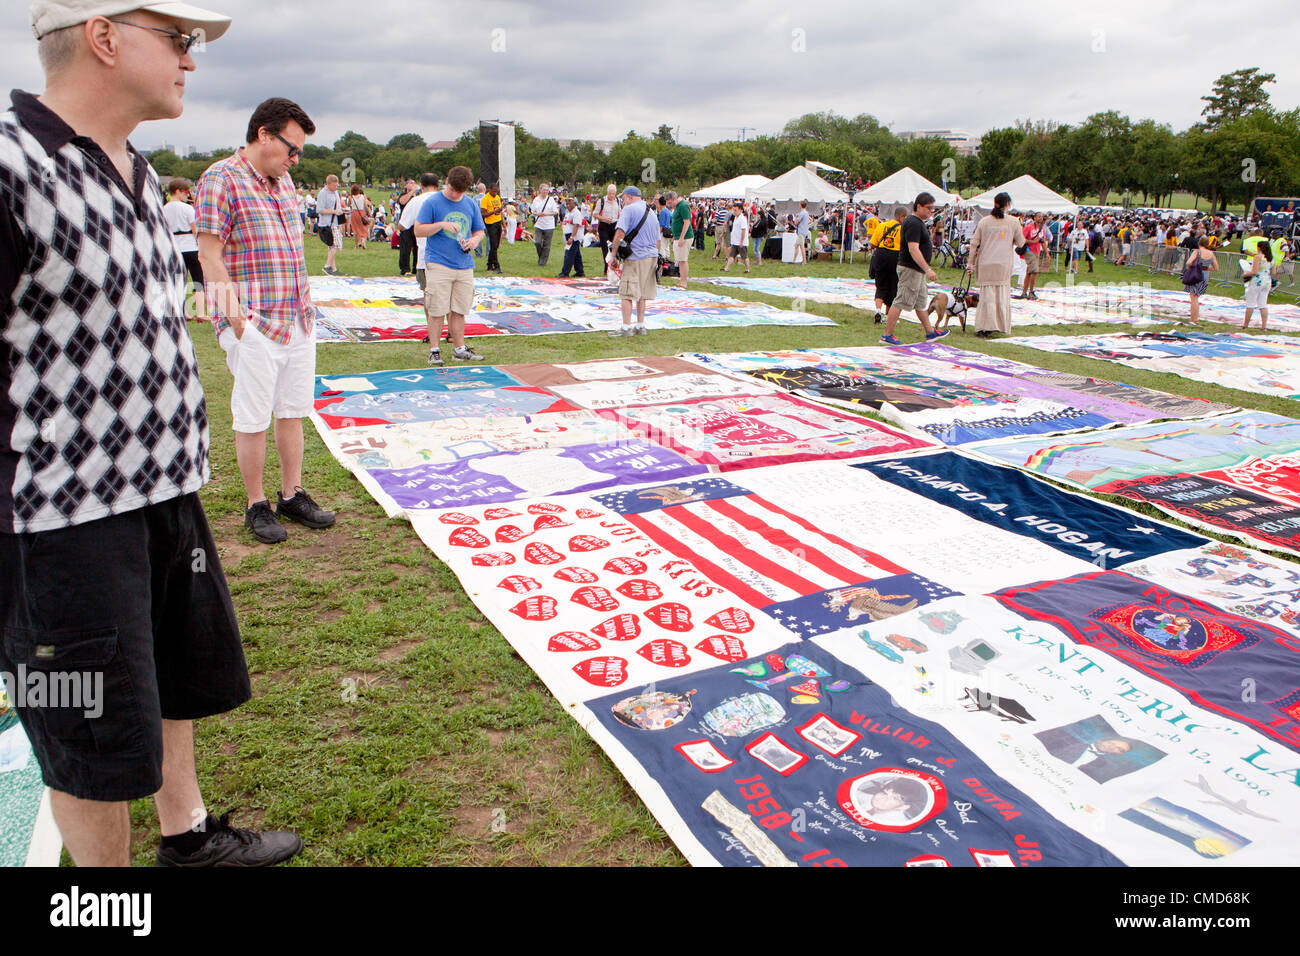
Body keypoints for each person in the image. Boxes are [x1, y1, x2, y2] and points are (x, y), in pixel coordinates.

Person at [3, 0, 301, 867]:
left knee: (174, 679)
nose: (191, 60)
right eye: (178, 39)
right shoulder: (11, 168)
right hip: (60, 521)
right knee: (86, 740)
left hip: (164, 491)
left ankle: (189, 838)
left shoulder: (131, 166)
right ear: (104, 36)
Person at [196, 98, 337, 546]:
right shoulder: (221, 178)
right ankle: (256, 502)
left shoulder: (285, 181)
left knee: (293, 411)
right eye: (290, 148)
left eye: (298, 152)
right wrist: (236, 322)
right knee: (253, 416)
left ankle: (291, 494)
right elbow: (209, 256)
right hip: (254, 320)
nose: (294, 159)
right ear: (263, 135)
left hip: (297, 317)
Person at [413, 165, 486, 365]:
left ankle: (459, 348)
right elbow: (418, 230)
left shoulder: (470, 204)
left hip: (464, 264)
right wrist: (441, 225)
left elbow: (479, 230)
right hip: (438, 262)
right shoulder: (433, 202)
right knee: (437, 308)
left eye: (460, 192)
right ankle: (434, 350)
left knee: (460, 309)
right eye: (453, 190)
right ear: (446, 182)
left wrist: (474, 241)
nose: (455, 195)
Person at [880, 192, 948, 345]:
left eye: (933, 208)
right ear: (919, 206)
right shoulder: (913, 223)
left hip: (917, 270)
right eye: (929, 208)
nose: (932, 211)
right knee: (901, 300)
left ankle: (930, 332)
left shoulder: (917, 222)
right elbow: (913, 249)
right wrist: (928, 269)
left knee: (920, 302)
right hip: (911, 268)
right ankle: (887, 335)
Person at [966, 192, 1022, 338]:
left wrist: (970, 263)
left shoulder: (984, 222)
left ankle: (985, 326)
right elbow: (1021, 242)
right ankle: (997, 324)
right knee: (1000, 296)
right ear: (1007, 205)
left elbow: (974, 244)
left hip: (986, 263)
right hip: (1003, 264)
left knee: (987, 297)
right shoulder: (1014, 222)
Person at [605, 185, 657, 336]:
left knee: (627, 293)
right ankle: (640, 325)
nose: (623, 201)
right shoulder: (651, 211)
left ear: (629, 197)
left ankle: (626, 327)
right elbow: (658, 238)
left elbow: (620, 233)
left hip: (636, 256)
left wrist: (613, 255)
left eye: (623, 198)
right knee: (642, 293)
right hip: (652, 255)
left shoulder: (629, 210)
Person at [163, 177, 204, 316]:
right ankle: (200, 313)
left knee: (180, 281)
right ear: (178, 191)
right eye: (186, 191)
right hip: (191, 247)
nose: (187, 194)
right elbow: (194, 229)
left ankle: (184, 312)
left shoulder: (164, 208)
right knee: (198, 279)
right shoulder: (187, 208)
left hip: (175, 247)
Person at [398, 173, 439, 295]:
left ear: (421, 185)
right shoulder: (447, 200)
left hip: (426, 256)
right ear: (437, 185)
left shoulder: (416, 201)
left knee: (429, 295)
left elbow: (402, 225)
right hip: (448, 257)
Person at [868, 205, 905, 322]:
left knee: (880, 285)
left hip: (881, 256)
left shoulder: (881, 226)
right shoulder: (903, 229)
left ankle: (878, 309)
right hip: (896, 257)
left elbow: (872, 244)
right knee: (894, 286)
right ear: (901, 217)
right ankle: (888, 315)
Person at [1181, 235, 1219, 325]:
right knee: (1196, 297)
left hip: (1196, 274)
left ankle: (1194, 319)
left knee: (1193, 298)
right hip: (1205, 275)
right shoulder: (1211, 253)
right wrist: (1205, 268)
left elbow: (1189, 262)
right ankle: (1195, 319)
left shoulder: (1197, 252)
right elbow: (1216, 268)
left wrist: (1193, 267)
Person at [1242, 241, 1275, 331]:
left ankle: (1245, 324)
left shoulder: (1257, 257)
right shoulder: (1271, 258)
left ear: (1259, 248)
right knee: (1263, 304)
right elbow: (1274, 272)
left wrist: (1245, 274)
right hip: (1267, 281)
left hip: (1257, 281)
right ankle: (1264, 326)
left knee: (1250, 303)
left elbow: (1254, 271)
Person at [316, 173, 343, 274]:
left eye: (337, 185)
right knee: (336, 245)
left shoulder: (336, 193)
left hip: (336, 222)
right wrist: (333, 211)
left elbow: (337, 206)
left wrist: (341, 211)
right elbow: (319, 209)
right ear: (328, 184)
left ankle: (333, 268)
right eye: (334, 185)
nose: (336, 187)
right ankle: (327, 265)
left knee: (332, 246)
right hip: (327, 223)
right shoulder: (323, 193)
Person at [1018, 212, 1048, 300]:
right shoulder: (1029, 227)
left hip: (1037, 251)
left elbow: (1043, 241)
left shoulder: (1042, 229)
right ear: (1034, 218)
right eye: (1039, 217)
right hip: (1029, 251)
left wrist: (1046, 252)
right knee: (1034, 271)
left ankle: (1024, 292)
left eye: (1042, 217)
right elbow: (1021, 239)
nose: (1040, 218)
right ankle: (1031, 291)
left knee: (1029, 272)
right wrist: (1032, 242)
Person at [592, 183, 620, 275]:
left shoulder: (618, 201)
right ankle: (606, 268)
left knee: (614, 247)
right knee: (605, 247)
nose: (611, 196)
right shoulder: (602, 201)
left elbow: (621, 213)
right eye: (610, 193)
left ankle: (613, 267)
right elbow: (595, 214)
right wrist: (604, 218)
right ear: (607, 192)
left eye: (613, 193)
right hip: (604, 226)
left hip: (614, 225)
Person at [529, 182, 560, 267]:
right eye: (544, 190)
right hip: (539, 224)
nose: (545, 191)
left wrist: (546, 214)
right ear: (540, 190)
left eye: (547, 190)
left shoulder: (551, 200)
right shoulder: (536, 200)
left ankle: (543, 262)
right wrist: (538, 214)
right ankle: (541, 256)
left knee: (547, 244)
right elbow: (532, 211)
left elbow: (555, 211)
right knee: (538, 242)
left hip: (549, 225)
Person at [667, 189, 692, 288]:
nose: (670, 205)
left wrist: (681, 237)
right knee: (680, 259)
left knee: (683, 259)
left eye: (670, 202)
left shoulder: (683, 206)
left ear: (675, 199)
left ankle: (684, 281)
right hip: (678, 236)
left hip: (685, 237)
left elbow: (687, 222)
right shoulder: (677, 206)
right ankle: (682, 280)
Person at [557, 196, 586, 278]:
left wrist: (571, 237)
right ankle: (580, 271)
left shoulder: (576, 213)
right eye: (566, 203)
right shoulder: (568, 212)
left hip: (574, 236)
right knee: (576, 255)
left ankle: (565, 272)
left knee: (568, 254)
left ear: (574, 203)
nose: (568, 204)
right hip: (569, 235)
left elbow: (576, 226)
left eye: (570, 202)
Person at [395, 178, 418, 275]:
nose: (413, 184)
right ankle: (405, 268)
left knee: (417, 247)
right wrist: (411, 192)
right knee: (405, 247)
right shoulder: (403, 195)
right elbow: (402, 202)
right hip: (405, 224)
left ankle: (416, 268)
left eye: (414, 183)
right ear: (406, 185)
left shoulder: (417, 197)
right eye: (411, 183)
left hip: (416, 224)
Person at [481, 182, 503, 273]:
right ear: (489, 190)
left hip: (498, 222)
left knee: (496, 245)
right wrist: (494, 212)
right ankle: (496, 265)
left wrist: (502, 221)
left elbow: (499, 209)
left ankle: (489, 265)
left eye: (496, 192)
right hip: (490, 224)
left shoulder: (497, 197)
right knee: (493, 245)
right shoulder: (485, 199)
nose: (495, 193)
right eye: (494, 192)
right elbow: (483, 214)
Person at [722, 200, 750, 273]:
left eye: (735, 210)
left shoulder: (742, 219)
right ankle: (726, 268)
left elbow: (743, 230)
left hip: (741, 242)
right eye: (733, 210)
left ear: (740, 210)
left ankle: (747, 269)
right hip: (735, 241)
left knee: (744, 256)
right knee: (731, 256)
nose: (734, 212)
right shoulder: (735, 218)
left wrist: (741, 241)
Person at [347, 184, 371, 250]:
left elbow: (348, 205)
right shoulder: (363, 196)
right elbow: (366, 206)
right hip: (362, 213)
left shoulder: (351, 197)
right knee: (364, 228)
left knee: (355, 230)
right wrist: (369, 213)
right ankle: (363, 240)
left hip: (354, 213)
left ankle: (356, 245)